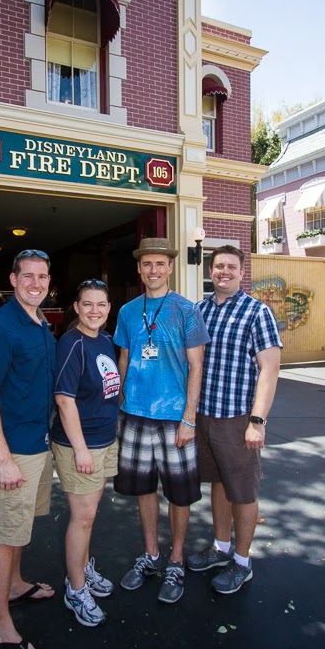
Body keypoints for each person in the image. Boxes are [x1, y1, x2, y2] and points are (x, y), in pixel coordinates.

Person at [114, 238, 210, 604]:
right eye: (147, 264)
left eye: (159, 264)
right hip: (135, 414)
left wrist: (189, 418)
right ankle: (151, 554)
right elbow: (123, 360)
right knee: (143, 489)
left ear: (170, 267)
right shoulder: (126, 311)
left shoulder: (186, 310)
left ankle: (175, 559)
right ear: (139, 269)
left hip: (174, 417)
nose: (153, 270)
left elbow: (197, 366)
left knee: (179, 493)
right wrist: (119, 407)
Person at [0, 249, 57, 649]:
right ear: (13, 279)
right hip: (9, 450)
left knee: (21, 525)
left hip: (36, 444)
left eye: (42, 276)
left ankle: (15, 585)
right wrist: (3, 461)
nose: (36, 283)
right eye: (28, 276)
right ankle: (0, 625)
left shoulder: (39, 324)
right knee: (5, 534)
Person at [188, 245, 282, 594]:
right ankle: (220, 547)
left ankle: (242, 562)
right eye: (218, 267)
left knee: (242, 492)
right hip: (205, 416)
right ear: (210, 271)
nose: (223, 272)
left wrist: (257, 421)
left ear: (242, 272)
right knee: (218, 483)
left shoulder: (258, 312)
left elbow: (270, 369)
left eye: (230, 267)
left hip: (238, 418)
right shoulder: (200, 310)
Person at [51, 279, 120, 628]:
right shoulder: (72, 343)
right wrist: (80, 449)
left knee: (90, 514)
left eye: (102, 304)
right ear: (76, 308)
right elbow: (64, 399)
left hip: (105, 440)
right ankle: (75, 587)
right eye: (87, 304)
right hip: (81, 445)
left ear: (109, 308)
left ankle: (83, 568)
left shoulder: (105, 341)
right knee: (83, 517)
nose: (95, 310)